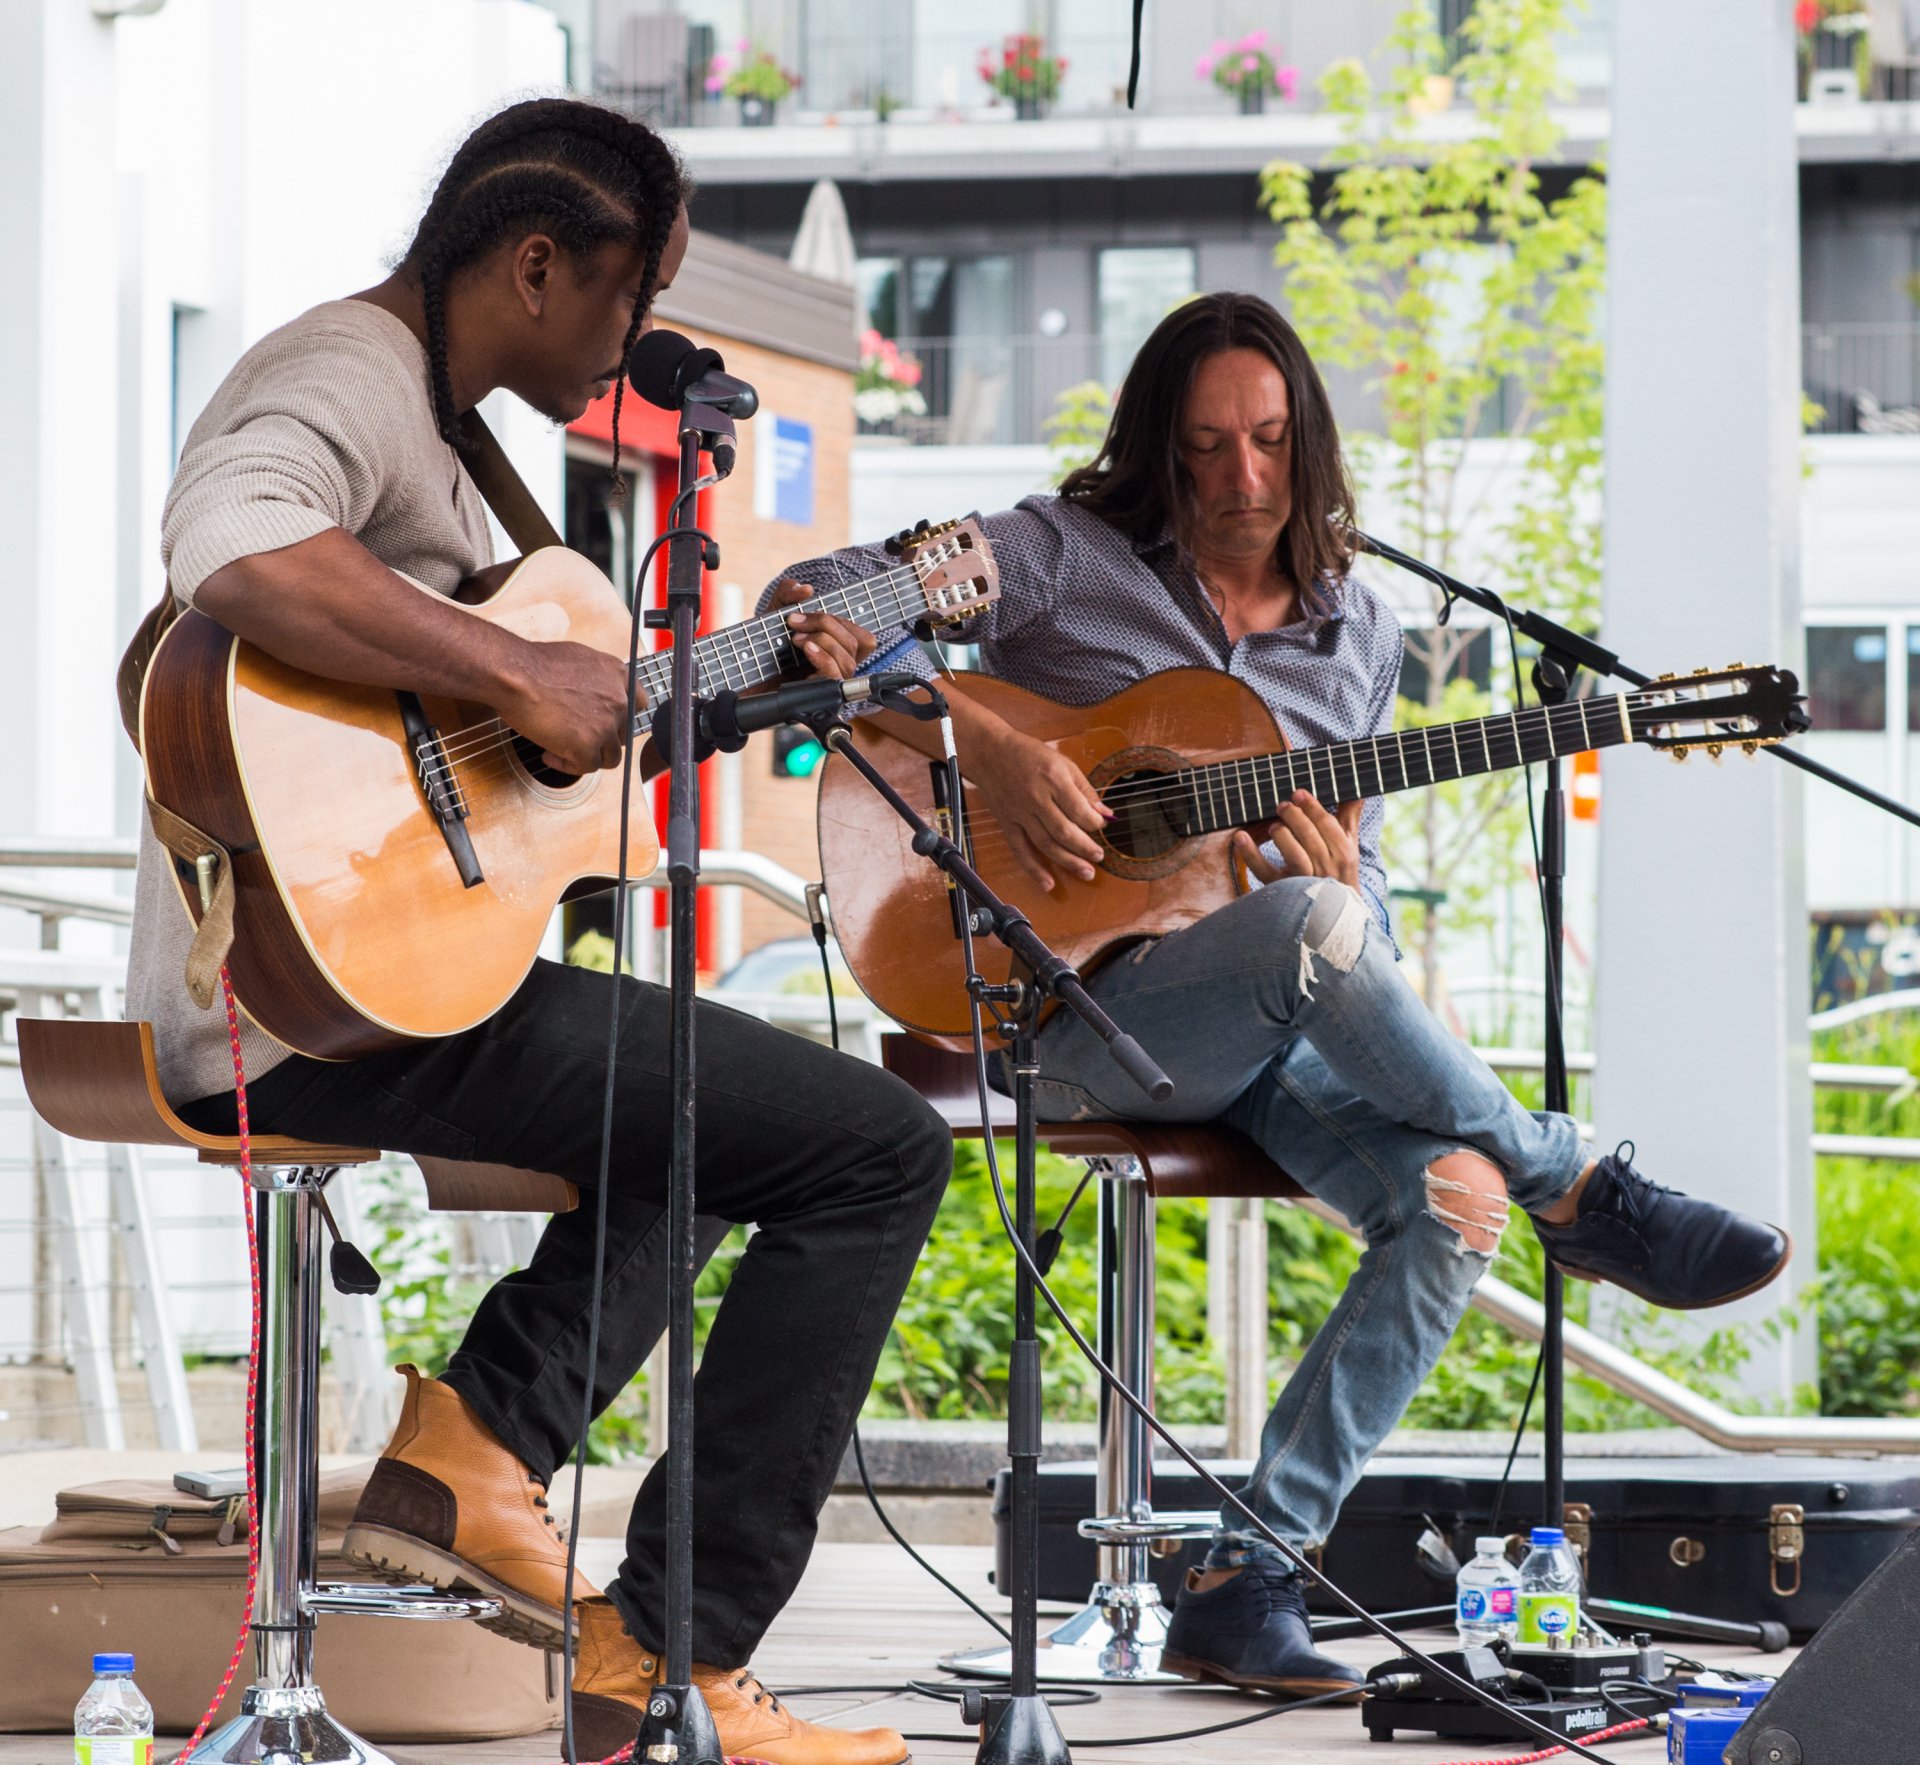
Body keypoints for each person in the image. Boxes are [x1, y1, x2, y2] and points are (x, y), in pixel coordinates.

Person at [765, 291, 1790, 1699]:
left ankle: (1248, 1576)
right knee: (1320, 935)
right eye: (1204, 450)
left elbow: (1331, 903)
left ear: (1307, 441)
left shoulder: (1358, 632)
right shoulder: (1060, 558)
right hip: (1060, 1011)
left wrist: (1332, 877)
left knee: (1452, 1200)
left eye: (1267, 443)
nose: (1243, 482)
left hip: (1251, 1018)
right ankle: (1579, 1179)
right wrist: (987, 738)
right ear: (1158, 452)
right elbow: (817, 600)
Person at [126, 98, 947, 1765]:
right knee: (874, 1148)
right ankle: (669, 1655)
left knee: (728, 1118)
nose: (629, 345)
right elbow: (222, 543)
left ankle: (479, 1441)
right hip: (307, 1000)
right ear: (534, 263)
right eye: (625, 304)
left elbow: (561, 728)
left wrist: (771, 669)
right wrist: (511, 669)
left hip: (390, 983)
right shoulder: (346, 373)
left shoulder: (455, 437)